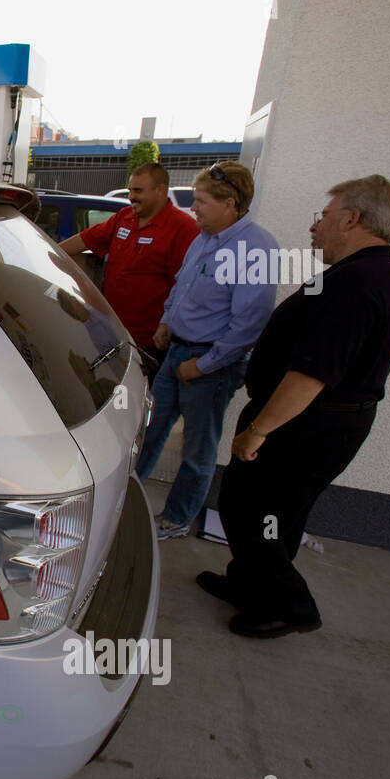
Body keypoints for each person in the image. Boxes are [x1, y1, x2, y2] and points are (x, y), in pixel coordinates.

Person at [199, 175, 390, 638]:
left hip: (305, 427)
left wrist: (258, 430)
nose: (315, 227)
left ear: (352, 219)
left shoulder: (357, 284)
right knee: (277, 513)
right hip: (318, 424)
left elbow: (312, 374)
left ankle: (290, 606)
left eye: (325, 216)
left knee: (252, 512)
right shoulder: (373, 272)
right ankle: (250, 584)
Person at [135, 161, 277, 539]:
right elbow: (181, 288)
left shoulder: (255, 248)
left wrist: (204, 365)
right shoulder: (206, 237)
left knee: (197, 451)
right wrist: (166, 321)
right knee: (148, 431)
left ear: (230, 203)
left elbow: (249, 323)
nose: (192, 208)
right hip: (178, 352)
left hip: (210, 363)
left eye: (200, 201)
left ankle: (177, 518)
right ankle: (125, 501)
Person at [60, 163, 198, 382]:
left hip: (149, 340)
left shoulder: (183, 229)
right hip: (112, 328)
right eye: (130, 190)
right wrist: (50, 254)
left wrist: (167, 325)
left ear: (160, 190)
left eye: (138, 191)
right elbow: (86, 239)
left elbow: (186, 288)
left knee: (138, 393)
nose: (131, 196)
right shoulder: (124, 217)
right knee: (112, 385)